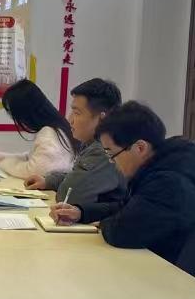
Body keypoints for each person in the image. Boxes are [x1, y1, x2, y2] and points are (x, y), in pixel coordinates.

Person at [50, 101, 195, 261]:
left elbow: (121, 233)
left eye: (111, 154)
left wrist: (102, 223)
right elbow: (127, 207)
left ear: (140, 148)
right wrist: (81, 213)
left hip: (171, 273)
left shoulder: (169, 182)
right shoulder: (166, 164)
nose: (111, 162)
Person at [24, 77, 125, 213]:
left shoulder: (103, 151)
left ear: (102, 118)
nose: (70, 119)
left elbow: (69, 197)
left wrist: (58, 184)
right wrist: (48, 181)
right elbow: (77, 176)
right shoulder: (91, 143)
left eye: (77, 113)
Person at [0, 79, 76, 181]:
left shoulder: (49, 134)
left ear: (24, 112)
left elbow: (33, 171)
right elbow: (29, 157)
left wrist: (3, 164)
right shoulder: (56, 128)